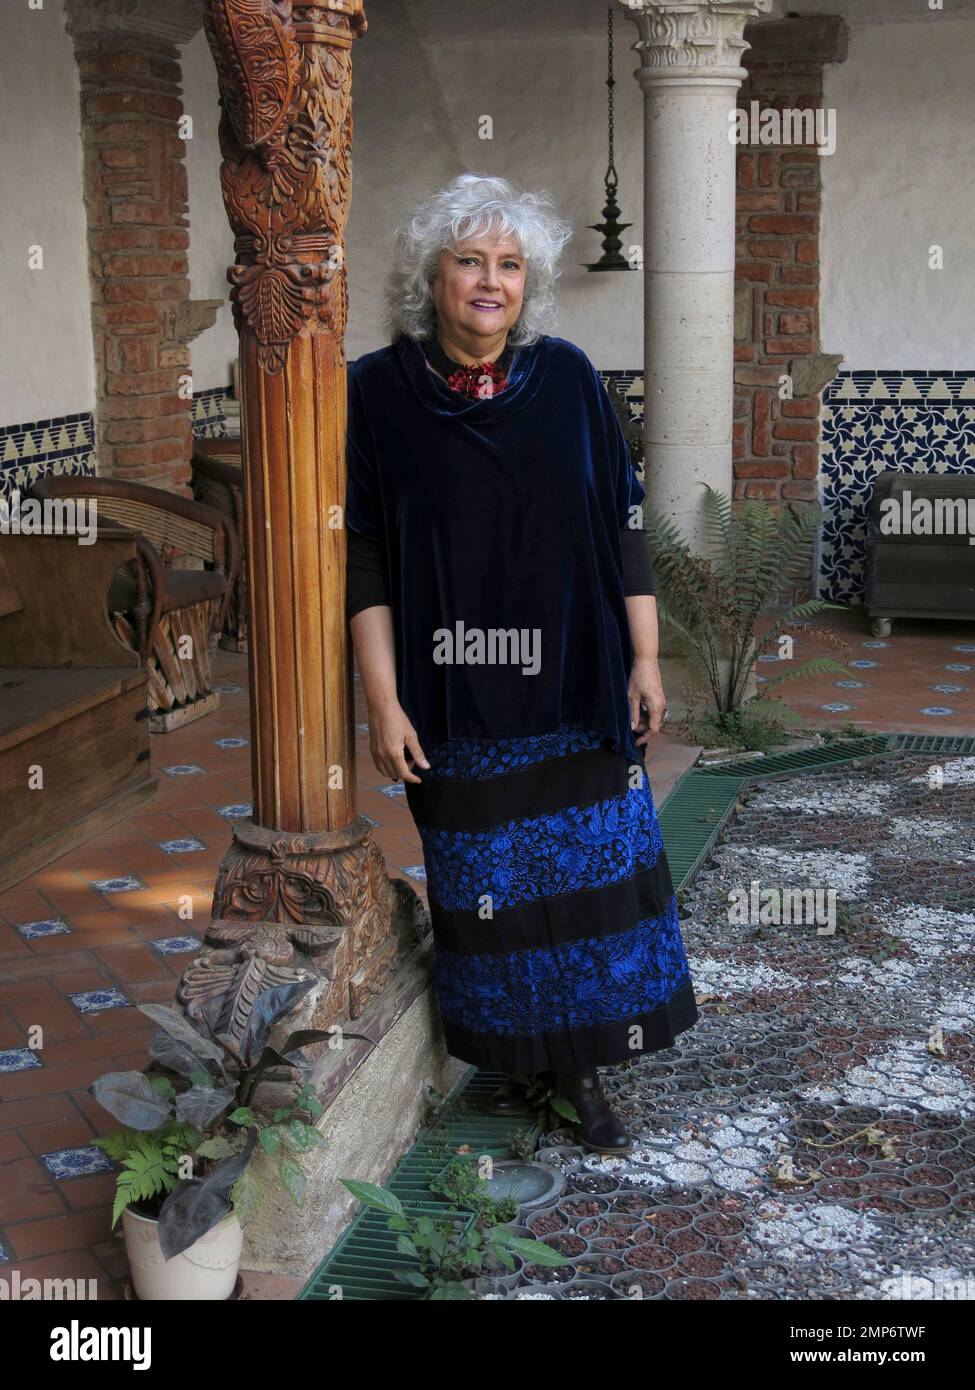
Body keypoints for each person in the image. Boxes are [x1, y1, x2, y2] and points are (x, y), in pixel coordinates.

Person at [344, 173, 697, 1154]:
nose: (489, 282)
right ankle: (525, 1055)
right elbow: (361, 553)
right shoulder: (374, 393)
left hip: (577, 681)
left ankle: (580, 1070)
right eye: (469, 261)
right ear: (433, 277)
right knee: (490, 887)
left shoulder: (571, 375)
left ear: (527, 281)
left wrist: (647, 657)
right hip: (453, 695)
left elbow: (623, 519)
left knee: (590, 879)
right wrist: (382, 699)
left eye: (508, 264)